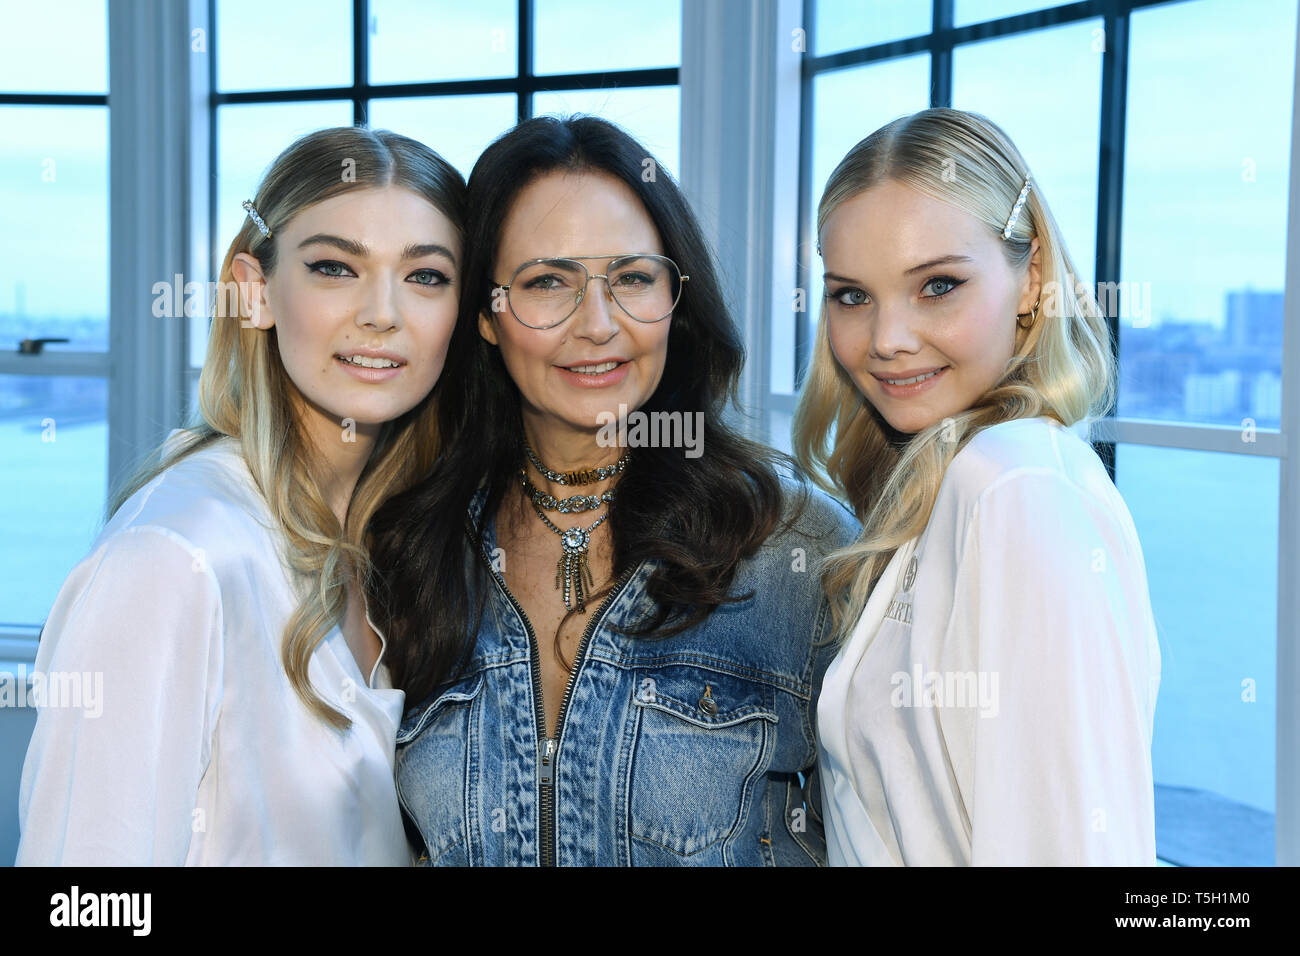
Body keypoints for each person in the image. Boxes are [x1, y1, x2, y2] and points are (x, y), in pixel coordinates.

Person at [366, 115, 859, 866]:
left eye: (632, 278)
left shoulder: (796, 549)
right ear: (486, 317)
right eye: (546, 283)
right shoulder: (408, 550)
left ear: (677, 298)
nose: (598, 325)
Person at [17, 126, 466, 865]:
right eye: (333, 267)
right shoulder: (174, 558)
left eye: (425, 276)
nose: (383, 312)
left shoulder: (388, 550)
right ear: (253, 293)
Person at [793, 107, 1162, 865]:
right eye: (852, 296)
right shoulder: (959, 482)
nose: (888, 339)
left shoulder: (1015, 489)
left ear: (1031, 280)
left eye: (938, 286)